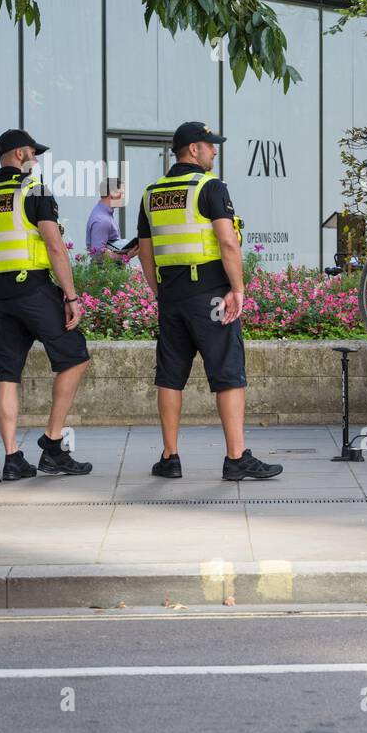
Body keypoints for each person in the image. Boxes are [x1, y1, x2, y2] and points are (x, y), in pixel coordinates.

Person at [136, 121, 282, 481]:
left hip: (172, 296)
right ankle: (236, 458)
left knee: (170, 377)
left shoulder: (151, 192)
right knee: (228, 373)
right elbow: (228, 242)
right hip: (210, 292)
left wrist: (159, 290)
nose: (215, 150)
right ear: (193, 149)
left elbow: (145, 250)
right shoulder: (210, 187)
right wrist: (238, 289)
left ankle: (170, 457)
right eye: (209, 145)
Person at [0, 129, 93, 481]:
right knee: (75, 356)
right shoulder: (34, 190)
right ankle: (52, 443)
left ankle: (12, 459)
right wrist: (71, 296)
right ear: (20, 154)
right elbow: (54, 247)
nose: (36, 158)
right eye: (33, 153)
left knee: (8, 374)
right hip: (33, 289)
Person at [86, 177, 135, 263]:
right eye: (121, 193)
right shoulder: (102, 219)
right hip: (105, 274)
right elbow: (98, 253)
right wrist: (127, 255)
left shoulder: (103, 213)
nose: (123, 197)